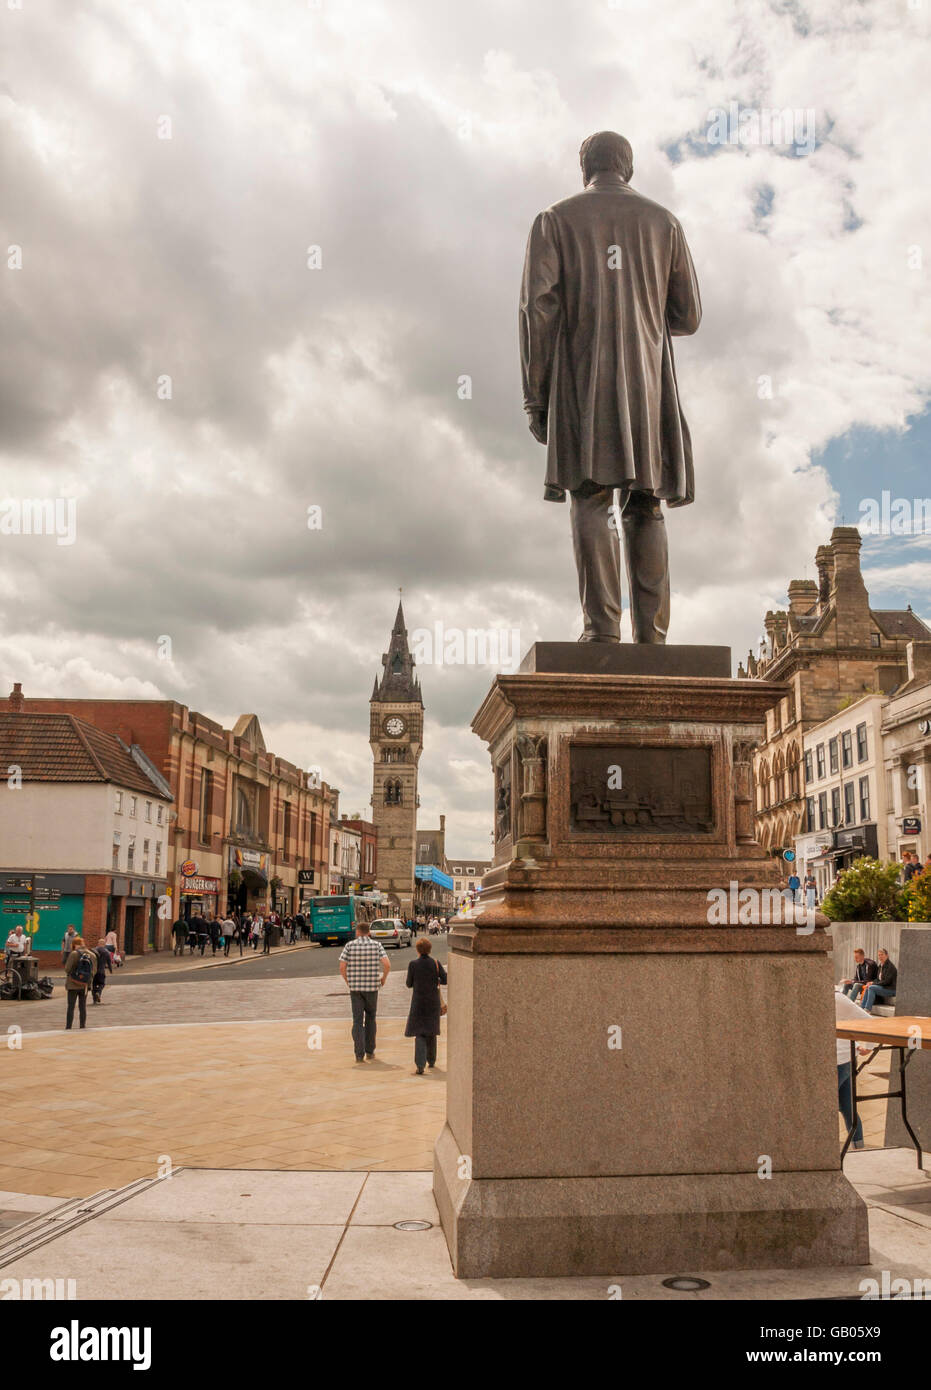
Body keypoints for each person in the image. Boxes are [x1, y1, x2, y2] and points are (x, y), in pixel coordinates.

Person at [520, 130, 701, 645]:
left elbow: (538, 311)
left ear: (586, 167)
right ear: (629, 167)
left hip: (583, 377)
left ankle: (601, 631)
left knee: (591, 497)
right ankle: (653, 639)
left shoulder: (554, 220)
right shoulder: (664, 222)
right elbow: (688, 316)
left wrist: (537, 394)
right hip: (648, 382)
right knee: (646, 503)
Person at [338, 920, 390, 1063]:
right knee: (371, 1019)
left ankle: (359, 1054)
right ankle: (370, 1051)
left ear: (357, 932)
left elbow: (342, 967)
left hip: (356, 989)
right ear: (369, 932)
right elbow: (387, 964)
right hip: (372, 988)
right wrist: (383, 978)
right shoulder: (377, 945)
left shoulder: (350, 945)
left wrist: (348, 980)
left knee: (357, 1020)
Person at [405, 937, 447, 1075]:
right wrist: (436, 979)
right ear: (430, 949)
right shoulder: (435, 963)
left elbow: (409, 983)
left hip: (418, 1002)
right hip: (433, 1002)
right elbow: (445, 979)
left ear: (418, 950)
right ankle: (432, 1060)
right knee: (431, 1031)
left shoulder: (413, 964)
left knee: (420, 1033)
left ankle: (420, 1065)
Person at [835, 989, 871, 1149]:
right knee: (847, 1107)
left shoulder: (837, 999)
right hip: (844, 1058)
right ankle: (859, 1147)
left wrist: (869, 1046)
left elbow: (869, 1020)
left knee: (819, 1107)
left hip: (839, 1061)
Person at [64, 935, 95, 1030]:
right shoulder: (92, 955)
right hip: (84, 985)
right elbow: (93, 971)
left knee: (71, 1006)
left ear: (75, 945)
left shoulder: (73, 954)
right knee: (82, 1006)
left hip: (72, 984)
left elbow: (67, 969)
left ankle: (68, 1027)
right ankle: (82, 1026)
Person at [860, 948, 897, 1013]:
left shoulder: (890, 967)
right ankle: (861, 1008)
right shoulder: (880, 966)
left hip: (891, 989)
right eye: (879, 955)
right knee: (868, 986)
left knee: (871, 987)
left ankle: (867, 1009)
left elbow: (886, 981)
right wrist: (872, 982)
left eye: (882, 955)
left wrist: (873, 984)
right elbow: (878, 979)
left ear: (887, 955)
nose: (880, 957)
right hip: (883, 987)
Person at [91, 938, 113, 1004]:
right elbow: (109, 962)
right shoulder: (106, 952)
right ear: (104, 944)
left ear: (98, 943)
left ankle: (94, 999)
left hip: (94, 971)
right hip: (101, 971)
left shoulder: (93, 951)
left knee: (93, 984)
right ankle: (98, 992)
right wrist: (110, 970)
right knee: (101, 984)